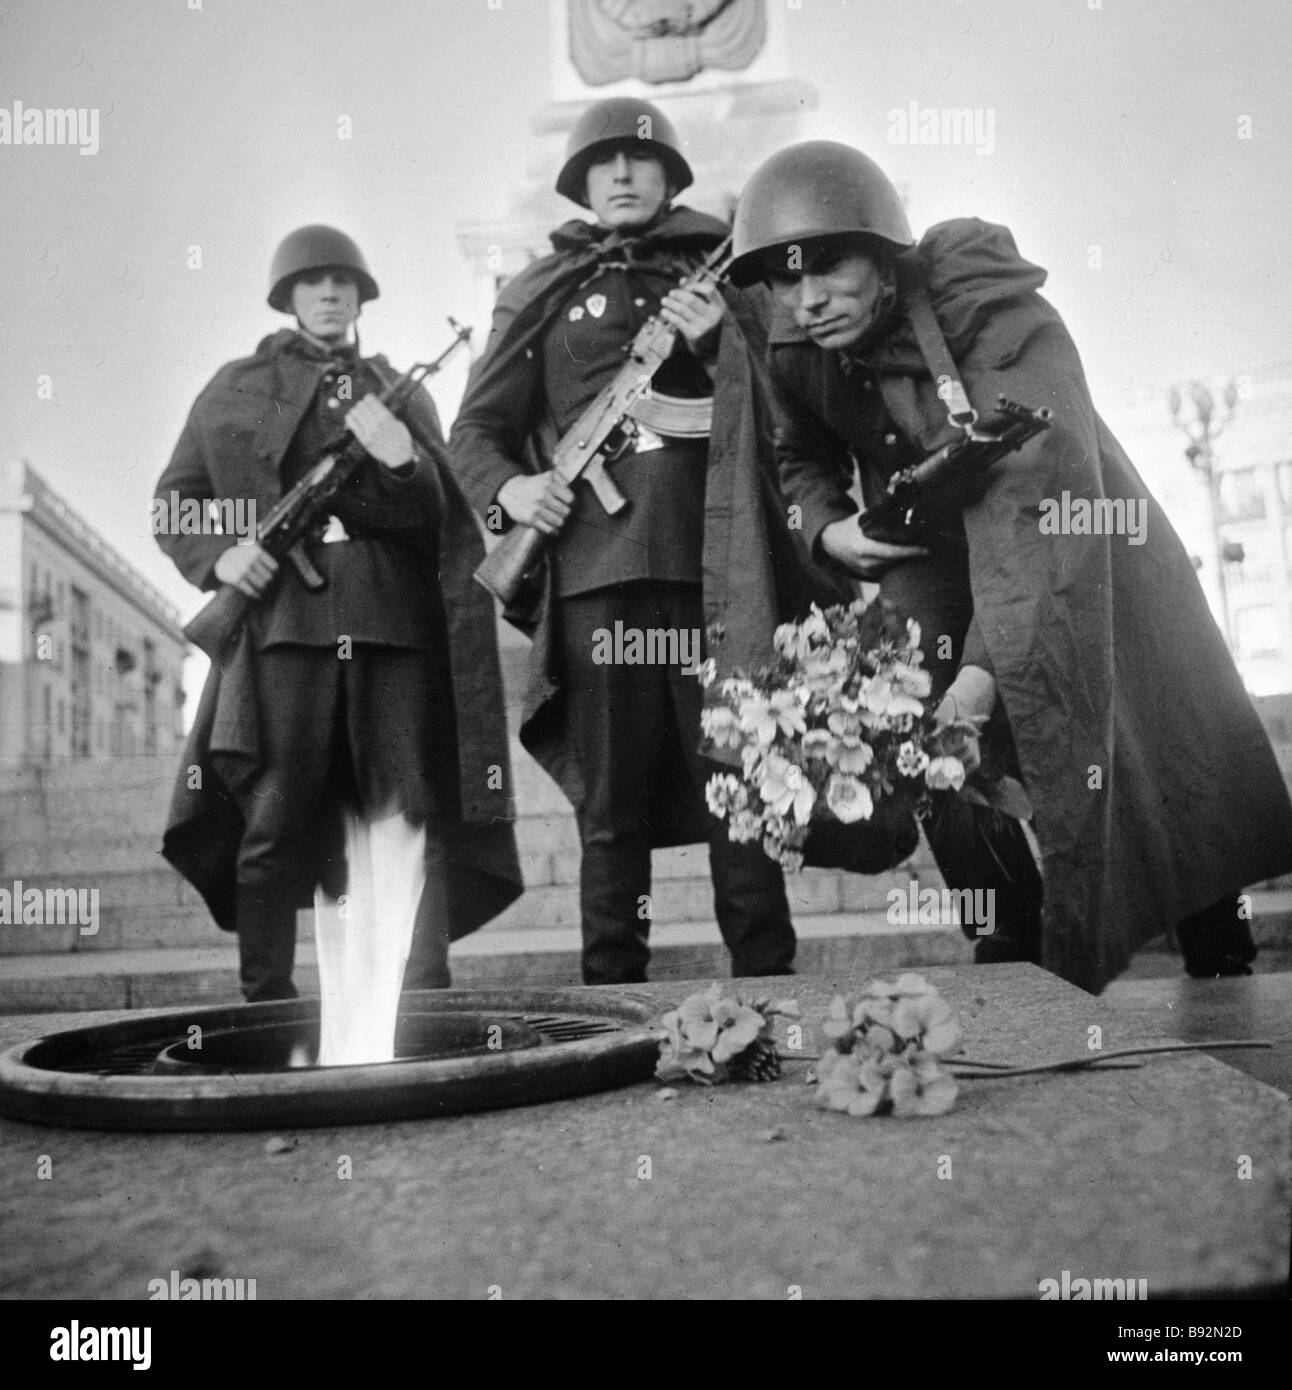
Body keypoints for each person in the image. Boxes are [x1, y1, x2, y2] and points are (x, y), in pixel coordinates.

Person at [727, 140, 1292, 992]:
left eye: (830, 269)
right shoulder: (797, 342)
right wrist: (829, 531)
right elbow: (795, 455)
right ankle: (1010, 947)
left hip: (1073, 532)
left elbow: (1037, 513)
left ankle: (1218, 955)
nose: (808, 300)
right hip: (936, 552)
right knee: (909, 712)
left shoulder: (983, 301)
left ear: (885, 255)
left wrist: (983, 678)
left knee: (1152, 740)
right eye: (785, 280)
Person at [449, 99, 843, 985]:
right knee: (611, 812)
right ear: (582, 184)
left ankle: (768, 986)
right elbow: (474, 433)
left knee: (738, 789)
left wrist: (717, 350)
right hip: (601, 579)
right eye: (605, 163)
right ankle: (613, 1004)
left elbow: (798, 409)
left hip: (720, 574)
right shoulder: (543, 292)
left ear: (671, 178)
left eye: (641, 159)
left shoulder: (726, 275)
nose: (624, 173)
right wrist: (513, 490)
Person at [156, 225, 522, 1013]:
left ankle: (421, 999)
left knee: (407, 809)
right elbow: (175, 500)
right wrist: (223, 556)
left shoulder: (399, 389)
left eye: (344, 283)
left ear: (361, 298)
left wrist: (402, 461)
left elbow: (444, 517)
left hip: (393, 623)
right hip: (285, 625)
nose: (330, 294)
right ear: (287, 296)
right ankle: (267, 1003)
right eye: (314, 282)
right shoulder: (235, 386)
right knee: (273, 815)